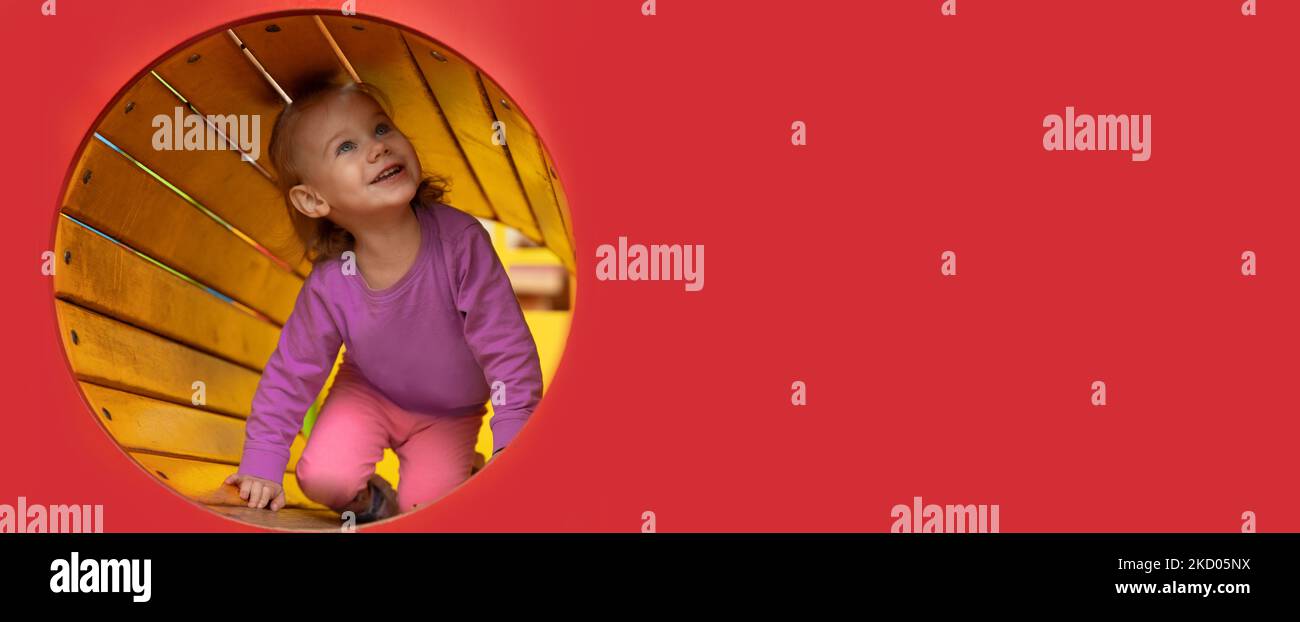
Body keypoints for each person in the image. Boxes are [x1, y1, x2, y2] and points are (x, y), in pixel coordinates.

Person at [222, 76, 543, 523]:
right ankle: (373, 504)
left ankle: (465, 472)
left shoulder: (459, 241)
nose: (378, 148)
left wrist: (514, 432)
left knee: (427, 514)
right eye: (346, 148)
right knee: (321, 478)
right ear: (313, 200)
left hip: (449, 413)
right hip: (368, 391)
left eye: (380, 129)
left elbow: (505, 343)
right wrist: (263, 459)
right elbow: (293, 370)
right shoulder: (332, 281)